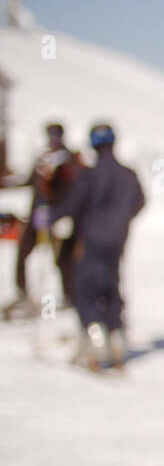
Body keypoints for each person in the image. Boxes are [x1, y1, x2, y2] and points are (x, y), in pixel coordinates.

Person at [37, 124, 144, 370]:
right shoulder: (129, 175)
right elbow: (140, 201)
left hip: (91, 239)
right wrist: (121, 220)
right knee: (111, 285)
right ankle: (116, 335)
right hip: (117, 239)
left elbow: (73, 204)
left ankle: (95, 338)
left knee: (85, 288)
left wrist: (49, 216)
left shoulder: (90, 175)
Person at [2, 122, 84, 320]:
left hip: (56, 216)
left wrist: (60, 211)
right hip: (35, 215)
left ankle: (70, 295)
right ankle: (22, 292)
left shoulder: (68, 160)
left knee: (61, 257)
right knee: (23, 252)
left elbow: (73, 188)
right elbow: (30, 181)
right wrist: (6, 184)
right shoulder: (43, 158)